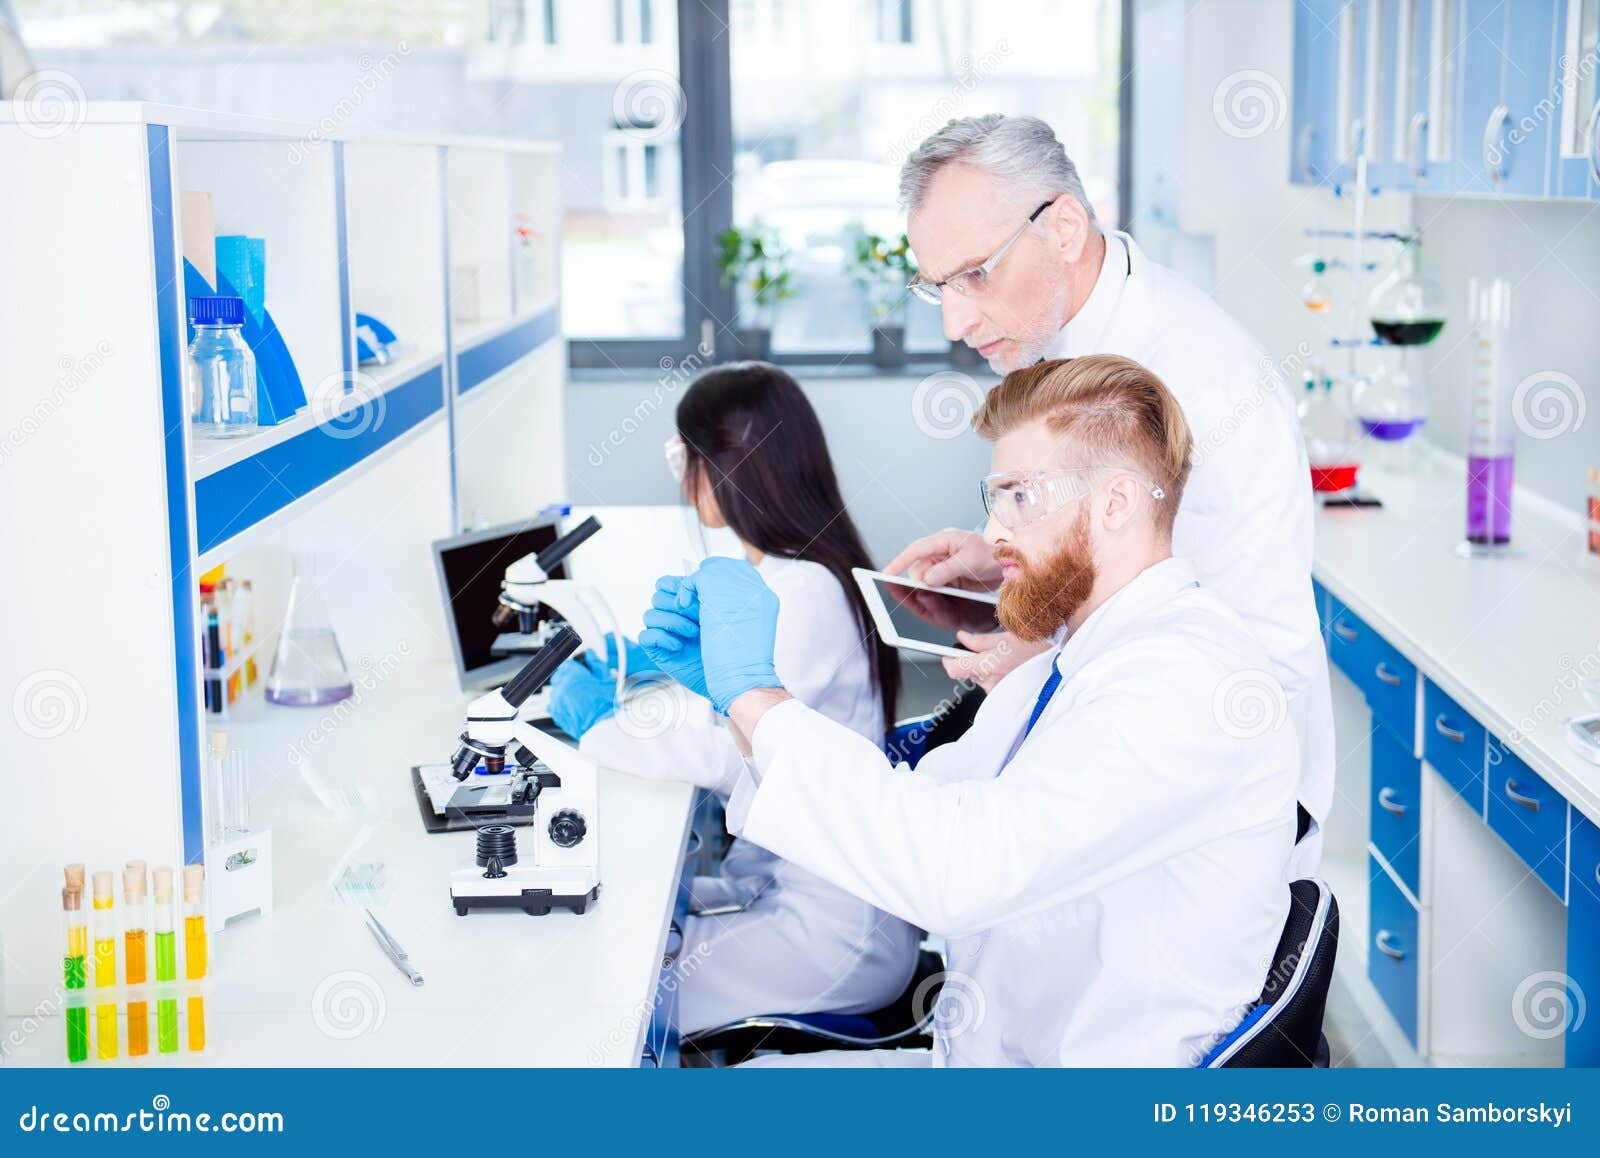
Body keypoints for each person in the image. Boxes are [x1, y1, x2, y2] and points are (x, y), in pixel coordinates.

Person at [641, 356, 1299, 1067]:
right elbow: (921, 803)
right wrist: (741, 718)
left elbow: (955, 872)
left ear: (1115, 504)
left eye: (1020, 496)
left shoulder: (1183, 680)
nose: (992, 531)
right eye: (994, 496)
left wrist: (755, 695)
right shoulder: (1071, 659)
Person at [885, 114, 1332, 873]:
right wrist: (1009, 567)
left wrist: (1046, 658)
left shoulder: (1211, 387)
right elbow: (1127, 550)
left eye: (976, 274)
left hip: (1206, 810)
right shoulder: (1052, 333)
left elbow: (1251, 650)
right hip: (1101, 757)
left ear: (1063, 228)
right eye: (937, 288)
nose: (955, 322)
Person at [547, 361, 920, 1037]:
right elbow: (738, 721)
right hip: (791, 883)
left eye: (682, 458)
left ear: (726, 466)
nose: (682, 479)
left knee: (619, 996)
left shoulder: (801, 590)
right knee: (631, 912)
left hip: (833, 932)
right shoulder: (795, 569)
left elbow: (728, 755)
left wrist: (600, 723)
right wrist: (660, 671)